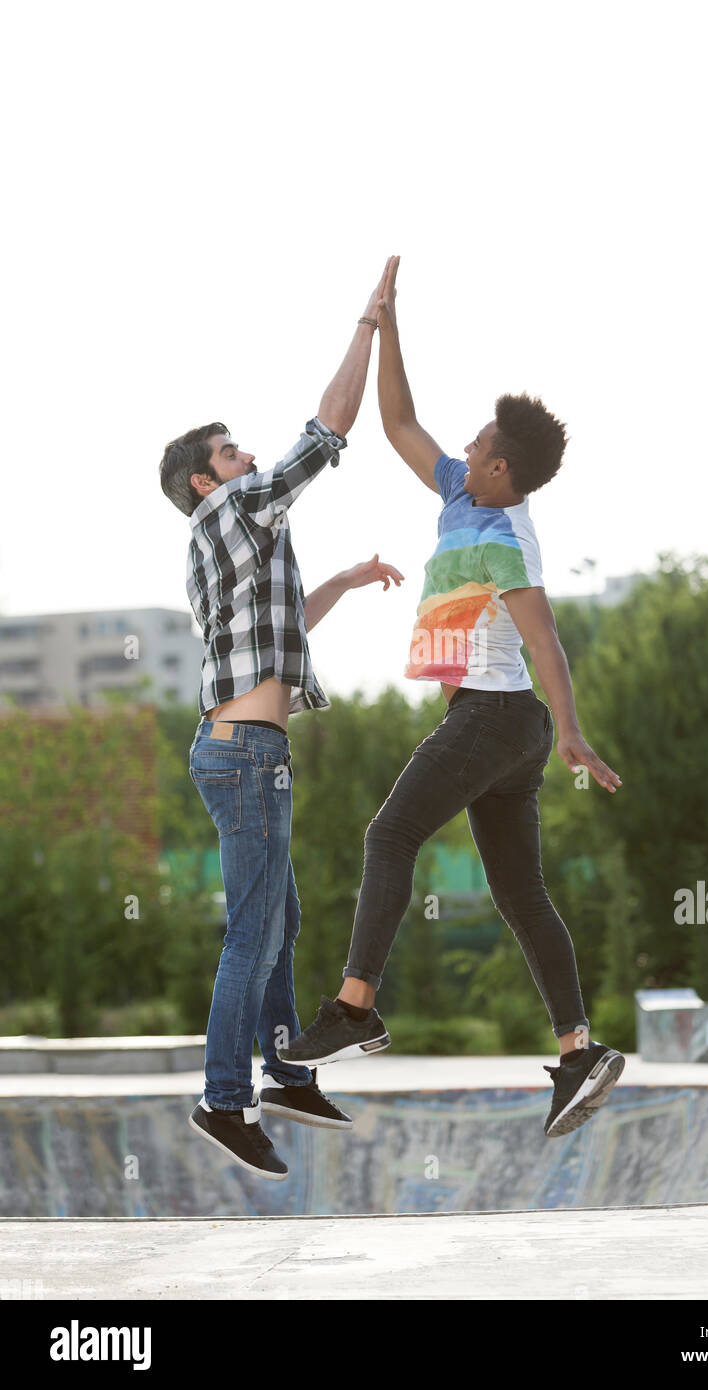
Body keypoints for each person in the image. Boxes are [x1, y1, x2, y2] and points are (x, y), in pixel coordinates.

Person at [279, 256, 625, 1138]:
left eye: (475, 449)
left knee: (388, 834)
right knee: (521, 895)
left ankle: (355, 1011)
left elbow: (543, 637)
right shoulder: (460, 489)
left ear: (502, 469)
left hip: (495, 717)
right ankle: (580, 1050)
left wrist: (576, 732)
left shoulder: (506, 532)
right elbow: (398, 419)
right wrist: (387, 325)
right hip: (505, 732)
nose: (461, 453)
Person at [158, 260, 403, 1179]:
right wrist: (367, 326)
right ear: (200, 480)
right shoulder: (233, 509)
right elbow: (326, 431)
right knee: (253, 934)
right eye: (231, 451)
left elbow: (277, 638)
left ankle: (285, 1071)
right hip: (246, 757)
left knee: (281, 922)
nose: (249, 457)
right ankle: (226, 1099)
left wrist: (337, 580)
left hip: (239, 749)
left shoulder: (227, 537)